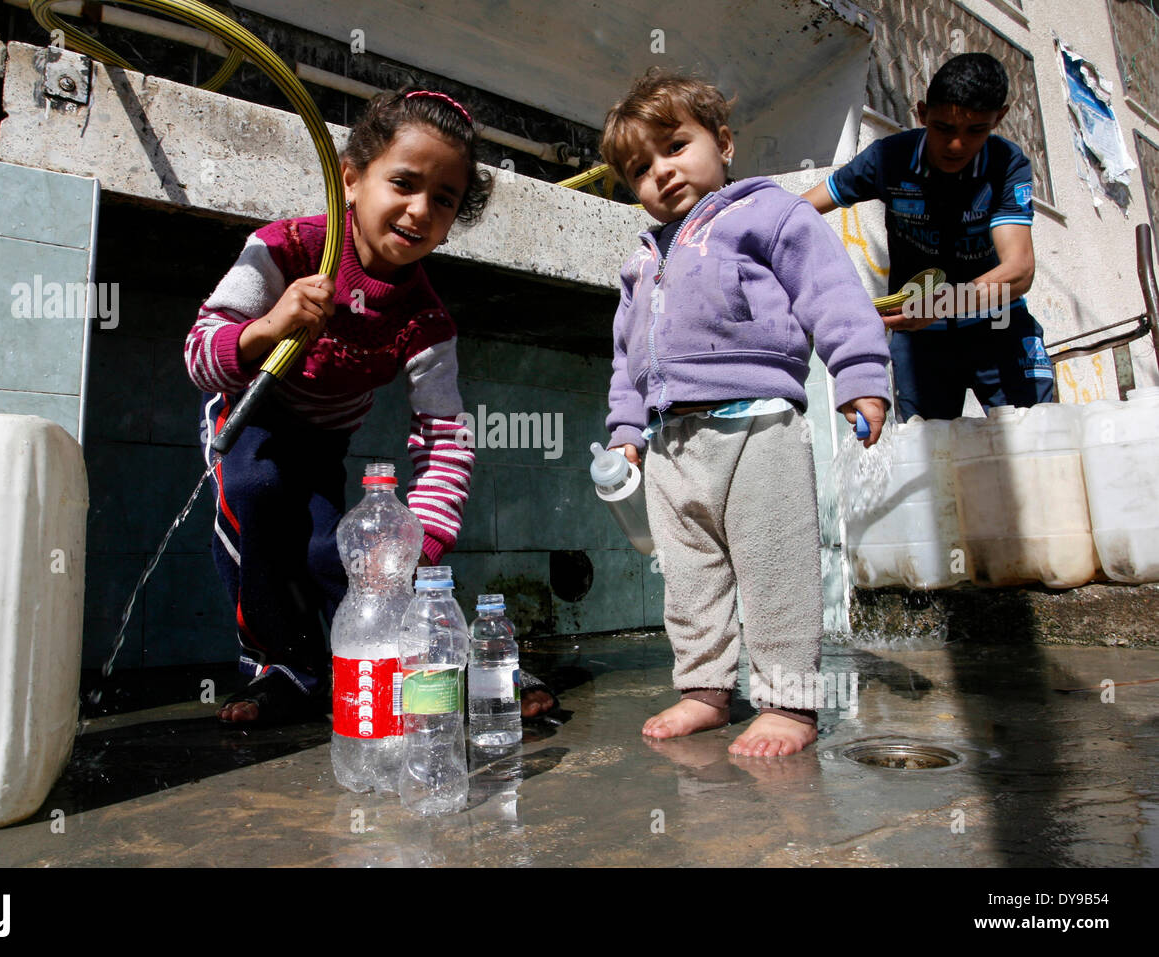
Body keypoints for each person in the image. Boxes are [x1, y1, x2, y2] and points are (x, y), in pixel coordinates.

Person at [186, 89, 555, 725]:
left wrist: (425, 540)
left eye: (444, 199)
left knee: (343, 554)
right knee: (257, 490)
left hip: (322, 444)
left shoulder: (426, 320)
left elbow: (444, 435)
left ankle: (440, 669)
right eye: (404, 183)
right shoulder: (284, 250)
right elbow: (197, 357)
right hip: (247, 420)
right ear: (352, 179)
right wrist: (270, 325)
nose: (420, 210)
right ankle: (282, 672)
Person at [600, 69, 891, 756]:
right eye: (642, 168)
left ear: (723, 142)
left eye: (676, 146)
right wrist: (625, 434)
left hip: (758, 426)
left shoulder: (769, 214)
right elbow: (626, 358)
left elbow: (832, 292)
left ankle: (788, 701)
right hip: (672, 441)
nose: (663, 173)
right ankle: (704, 690)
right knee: (689, 575)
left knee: (775, 567)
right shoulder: (642, 263)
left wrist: (858, 373)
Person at [802, 52, 1052, 420]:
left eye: (976, 131)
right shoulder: (888, 158)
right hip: (921, 339)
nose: (957, 145)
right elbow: (799, 210)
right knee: (930, 459)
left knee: (1039, 447)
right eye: (944, 128)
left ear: (999, 117)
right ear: (921, 113)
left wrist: (940, 305)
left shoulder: (1008, 164)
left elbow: (1019, 272)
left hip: (999, 326)